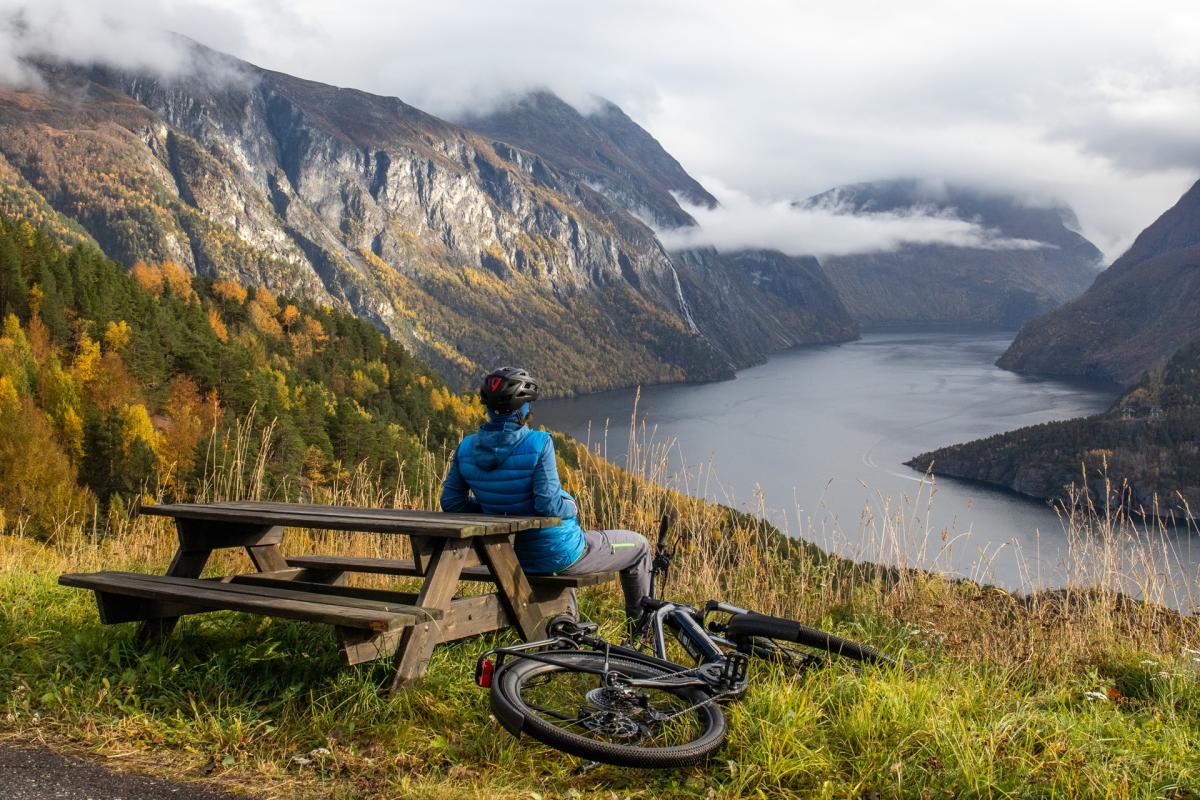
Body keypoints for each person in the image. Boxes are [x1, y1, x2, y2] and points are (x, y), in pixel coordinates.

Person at [440, 366, 651, 622]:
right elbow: (548, 504)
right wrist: (570, 504)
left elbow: (451, 502)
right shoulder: (539, 443)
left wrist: (490, 508)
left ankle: (565, 625)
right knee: (640, 546)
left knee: (560, 553)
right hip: (557, 554)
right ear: (523, 409)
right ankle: (643, 633)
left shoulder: (466, 448)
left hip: (508, 557)